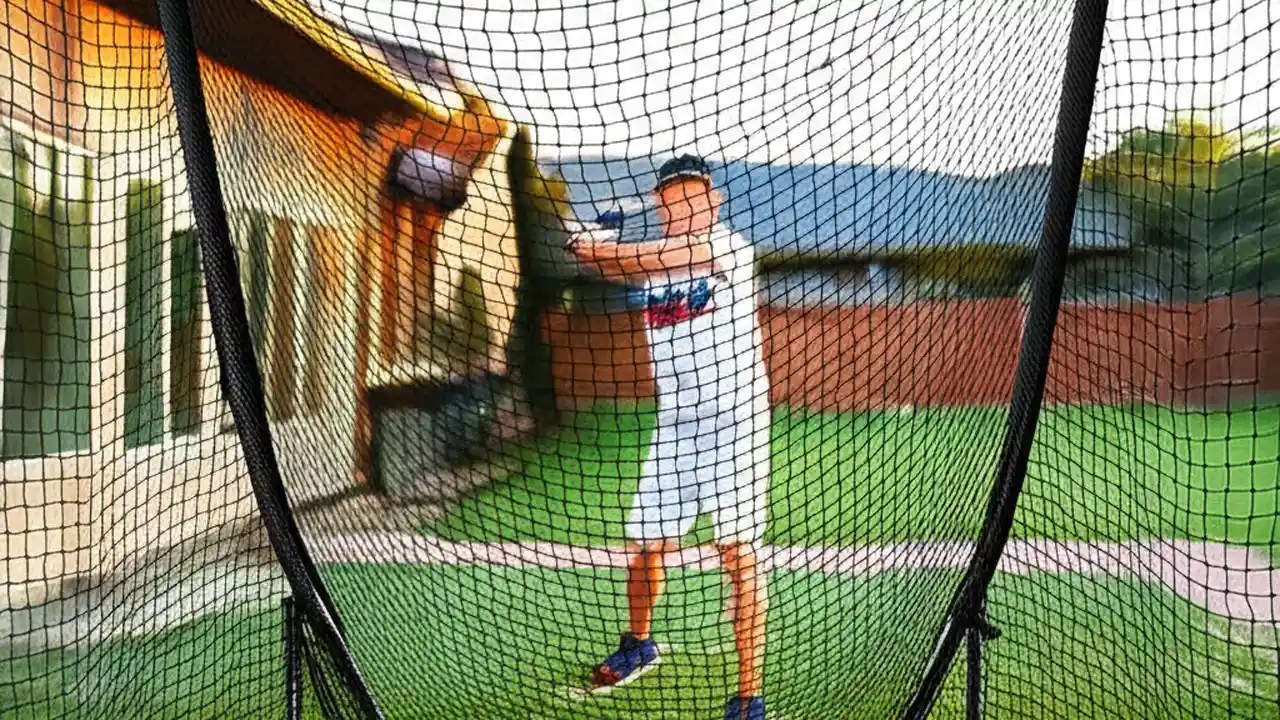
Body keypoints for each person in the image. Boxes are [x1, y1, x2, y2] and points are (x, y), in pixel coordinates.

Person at [565, 154, 772, 720]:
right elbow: (610, 264)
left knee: (737, 553)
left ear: (714, 200)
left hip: (735, 422)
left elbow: (627, 258)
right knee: (645, 544)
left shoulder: (727, 248)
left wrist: (592, 241)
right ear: (660, 204)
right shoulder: (654, 262)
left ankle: (748, 696)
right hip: (676, 424)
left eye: (695, 194)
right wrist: (588, 242)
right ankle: (639, 644)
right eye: (673, 196)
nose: (685, 204)